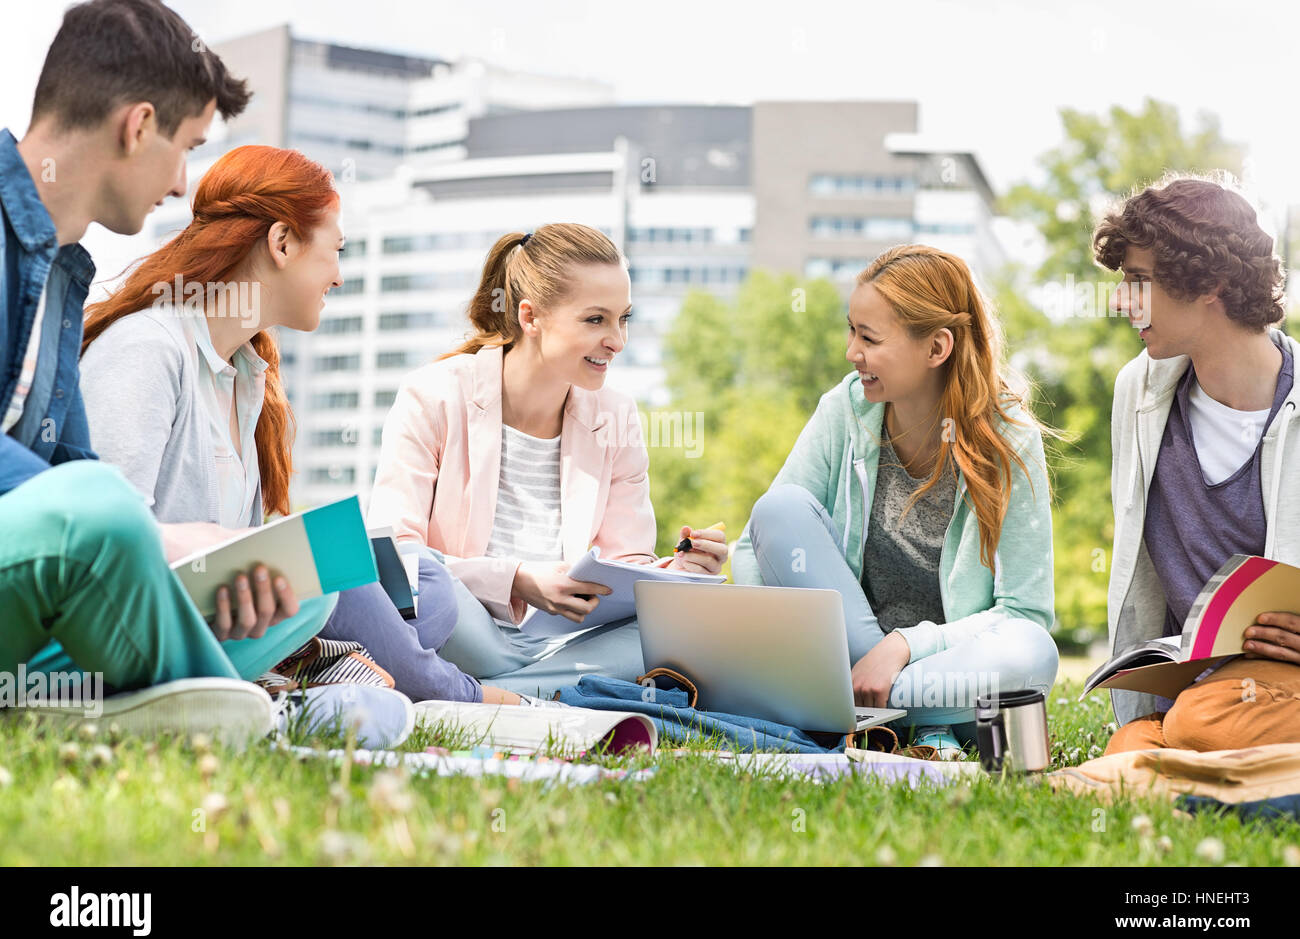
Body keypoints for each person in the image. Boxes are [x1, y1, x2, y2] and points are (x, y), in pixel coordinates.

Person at [80, 143, 521, 711]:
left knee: (429, 588)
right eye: (335, 250)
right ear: (282, 242)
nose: (338, 276)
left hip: (231, 614)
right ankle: (453, 693)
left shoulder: (247, 377)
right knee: (329, 565)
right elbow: (103, 547)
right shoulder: (146, 350)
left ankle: (350, 666)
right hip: (146, 624)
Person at [0, 0, 329, 741]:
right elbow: (89, 500)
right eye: (186, 147)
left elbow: (77, 468)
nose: (183, 185)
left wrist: (198, 549)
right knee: (101, 509)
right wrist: (156, 538)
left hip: (33, 587)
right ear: (137, 125)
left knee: (299, 587)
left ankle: (78, 705)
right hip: (33, 558)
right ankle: (209, 713)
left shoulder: (60, 274)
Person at [367, 223, 728, 699]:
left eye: (624, 319)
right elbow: (396, 559)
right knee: (428, 580)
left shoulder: (616, 416)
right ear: (530, 316)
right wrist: (516, 580)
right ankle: (553, 690)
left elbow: (623, 563)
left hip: (563, 641)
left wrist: (678, 574)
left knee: (691, 626)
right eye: (595, 320)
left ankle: (484, 694)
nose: (617, 341)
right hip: (464, 625)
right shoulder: (433, 395)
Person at [731, 245, 1059, 756]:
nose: (851, 352)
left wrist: (905, 645)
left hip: (947, 680)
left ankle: (844, 712)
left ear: (936, 348)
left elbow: (1023, 612)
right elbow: (761, 544)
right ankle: (883, 719)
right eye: (851, 330)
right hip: (846, 654)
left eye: (869, 337)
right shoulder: (845, 409)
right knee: (779, 509)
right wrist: (756, 651)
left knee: (1032, 654)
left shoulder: (1009, 440)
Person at [1097, 174, 1300, 754]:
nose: (1120, 300)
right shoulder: (1138, 391)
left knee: (1196, 725)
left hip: (1273, 686)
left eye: (1138, 282)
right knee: (1130, 749)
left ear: (1209, 282)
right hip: (1195, 689)